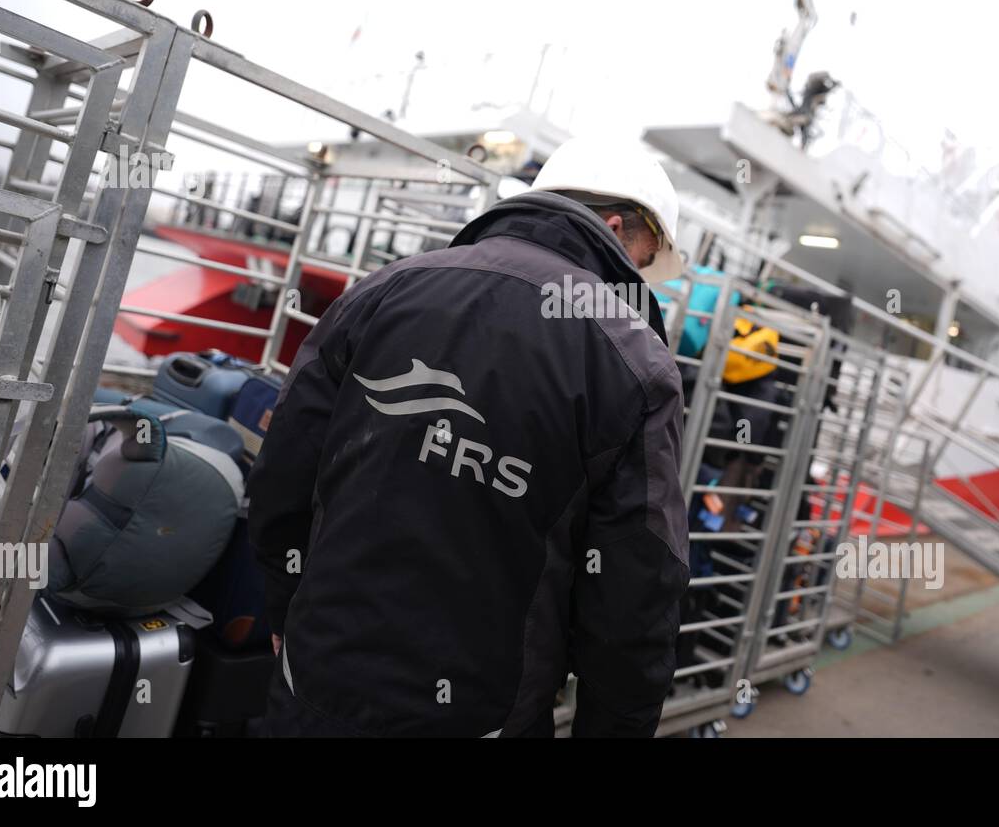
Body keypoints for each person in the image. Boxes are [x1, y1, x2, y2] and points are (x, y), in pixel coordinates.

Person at [247, 137, 691, 737]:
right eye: (639, 260)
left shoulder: (385, 288)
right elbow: (637, 587)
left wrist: (285, 610)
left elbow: (284, 472)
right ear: (614, 228)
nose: (638, 283)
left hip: (316, 686)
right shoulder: (636, 364)